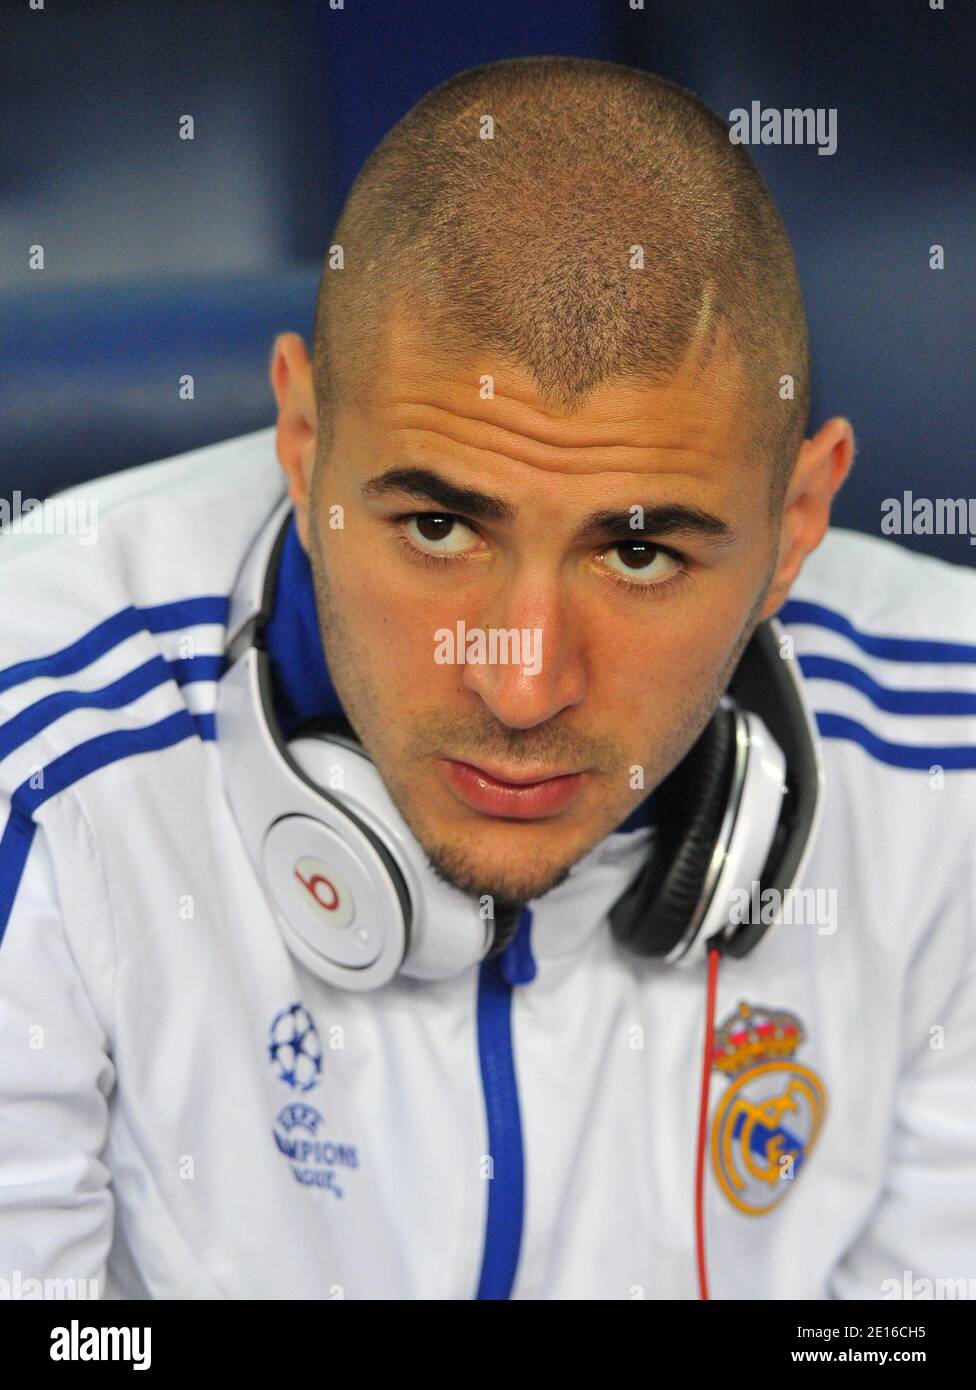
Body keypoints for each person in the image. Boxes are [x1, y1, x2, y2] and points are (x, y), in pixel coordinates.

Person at [1, 55, 974, 1302]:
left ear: (796, 524)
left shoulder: (948, 762)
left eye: (636, 552)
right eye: (438, 530)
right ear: (303, 447)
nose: (521, 687)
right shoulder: (37, 747)